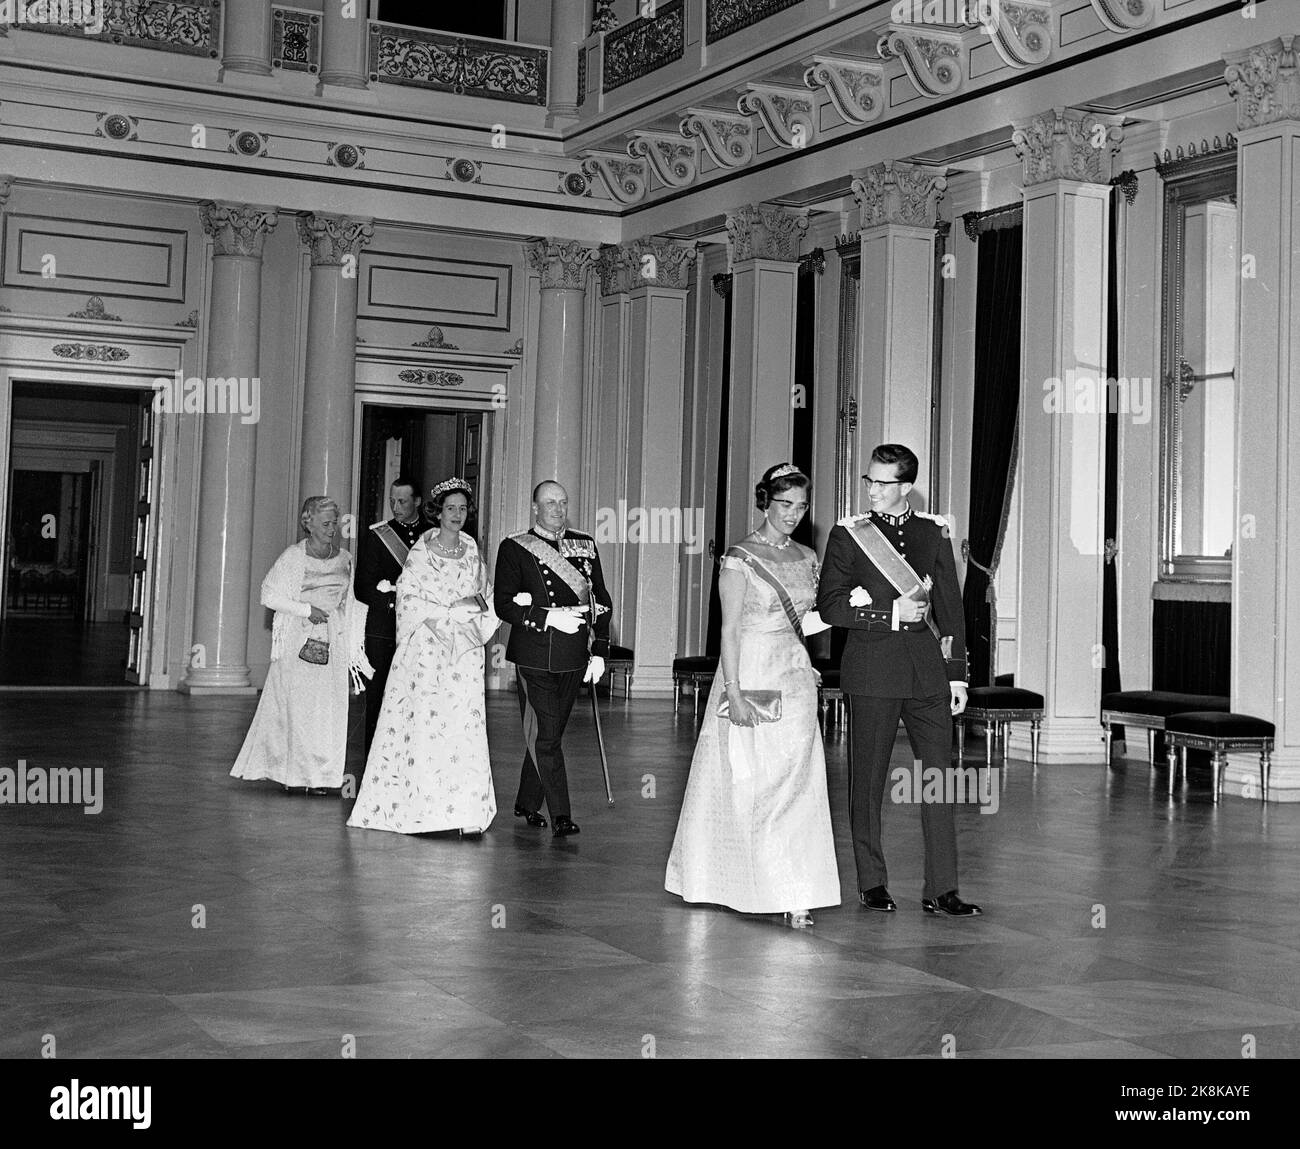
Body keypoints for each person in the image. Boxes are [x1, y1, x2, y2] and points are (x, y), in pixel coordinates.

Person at [665, 463, 840, 928]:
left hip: (796, 678)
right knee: (753, 782)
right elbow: (729, 631)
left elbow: (807, 621)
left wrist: (816, 653)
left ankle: (795, 889)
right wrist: (733, 691)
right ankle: (737, 880)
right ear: (767, 500)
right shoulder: (739, 558)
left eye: (801, 507)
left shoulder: (807, 556)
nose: (793, 514)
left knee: (798, 783)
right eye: (785, 504)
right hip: (751, 673)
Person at [816, 443, 982, 917]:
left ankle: (942, 888)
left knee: (939, 779)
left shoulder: (933, 533)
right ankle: (872, 881)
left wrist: (956, 676)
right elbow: (829, 605)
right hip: (872, 671)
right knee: (867, 780)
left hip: (929, 672)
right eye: (869, 480)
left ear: (906, 487)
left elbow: (950, 607)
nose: (870, 490)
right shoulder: (849, 536)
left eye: (882, 483)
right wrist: (886, 613)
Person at [348, 478, 500, 837]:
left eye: (463, 509)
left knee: (461, 729)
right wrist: (446, 614)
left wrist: (473, 612)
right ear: (437, 511)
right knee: (428, 728)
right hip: (427, 651)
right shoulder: (422, 550)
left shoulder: (471, 548)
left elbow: (484, 594)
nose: (457, 515)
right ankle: (424, 811)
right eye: (450, 509)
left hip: (463, 653)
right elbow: (410, 600)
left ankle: (462, 811)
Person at [492, 480, 612, 837]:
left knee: (550, 733)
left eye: (562, 502)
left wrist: (601, 649)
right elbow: (504, 604)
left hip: (574, 653)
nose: (557, 509)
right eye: (549, 503)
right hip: (535, 653)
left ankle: (527, 802)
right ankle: (561, 814)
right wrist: (545, 617)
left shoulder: (585, 544)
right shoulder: (514, 547)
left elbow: (601, 600)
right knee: (547, 736)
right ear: (535, 507)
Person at [231, 496, 372, 794]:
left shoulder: (345, 558)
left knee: (328, 708)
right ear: (308, 523)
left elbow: (351, 602)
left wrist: (353, 640)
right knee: (298, 707)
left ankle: (320, 776)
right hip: (299, 637)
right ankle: (294, 774)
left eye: (334, 522)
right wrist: (307, 611)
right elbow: (268, 595)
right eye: (325, 523)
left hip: (332, 639)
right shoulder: (293, 557)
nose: (332, 528)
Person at [353, 477, 428, 762]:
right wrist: (392, 599)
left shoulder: (431, 536)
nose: (396, 507)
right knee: (379, 694)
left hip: (419, 629)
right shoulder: (378, 535)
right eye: (392, 501)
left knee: (417, 693)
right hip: (384, 629)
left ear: (417, 502)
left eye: (403, 501)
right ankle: (375, 757)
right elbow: (362, 587)